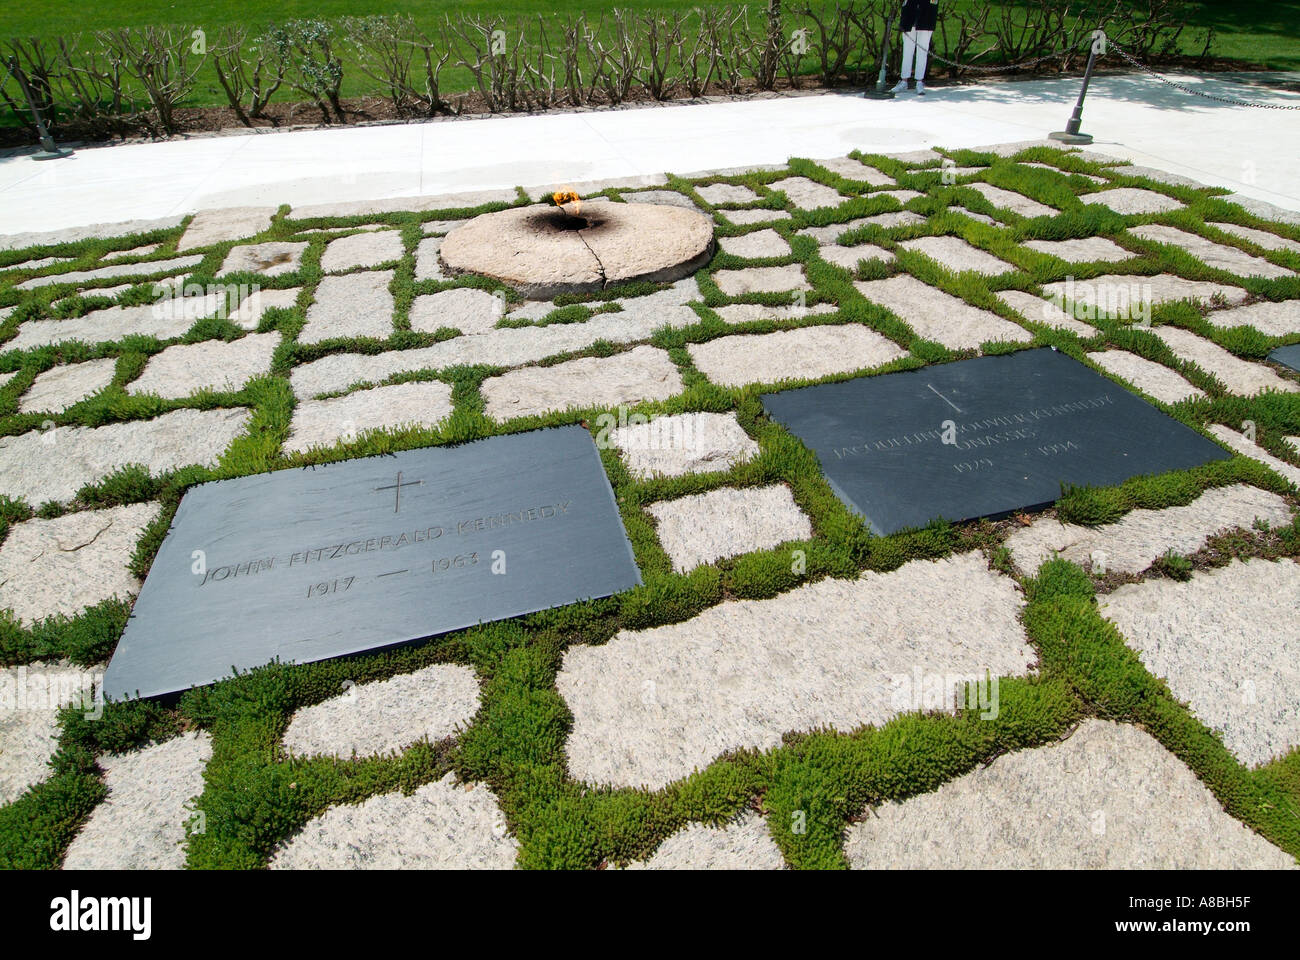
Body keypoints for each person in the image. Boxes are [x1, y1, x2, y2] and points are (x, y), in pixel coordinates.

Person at [893, 0, 939, 95]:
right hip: (910, 10)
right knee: (907, 50)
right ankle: (904, 81)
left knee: (922, 50)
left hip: (927, 11)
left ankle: (919, 81)